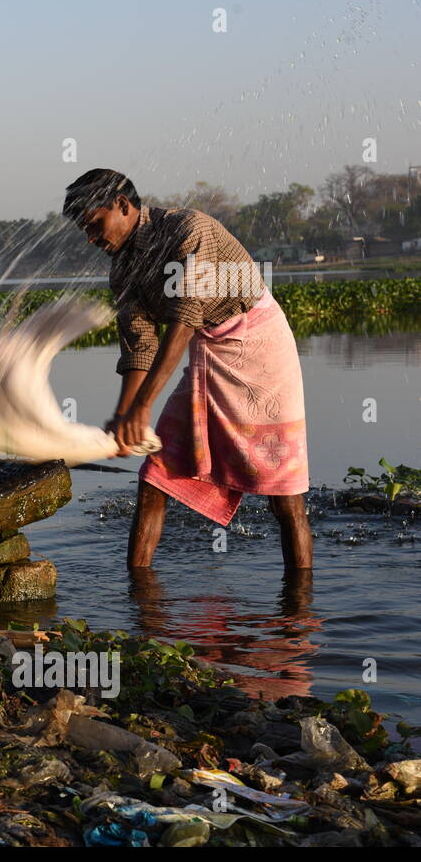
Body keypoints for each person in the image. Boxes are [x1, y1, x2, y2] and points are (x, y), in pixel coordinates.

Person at [62, 168, 312, 570]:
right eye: (85, 231)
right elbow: (139, 348)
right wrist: (125, 417)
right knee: (154, 477)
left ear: (123, 205)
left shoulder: (189, 230)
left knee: (284, 496)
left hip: (260, 346)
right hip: (208, 351)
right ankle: (140, 595)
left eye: (95, 224)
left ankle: (297, 610)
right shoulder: (122, 271)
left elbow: (183, 322)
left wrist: (142, 408)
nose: (92, 238)